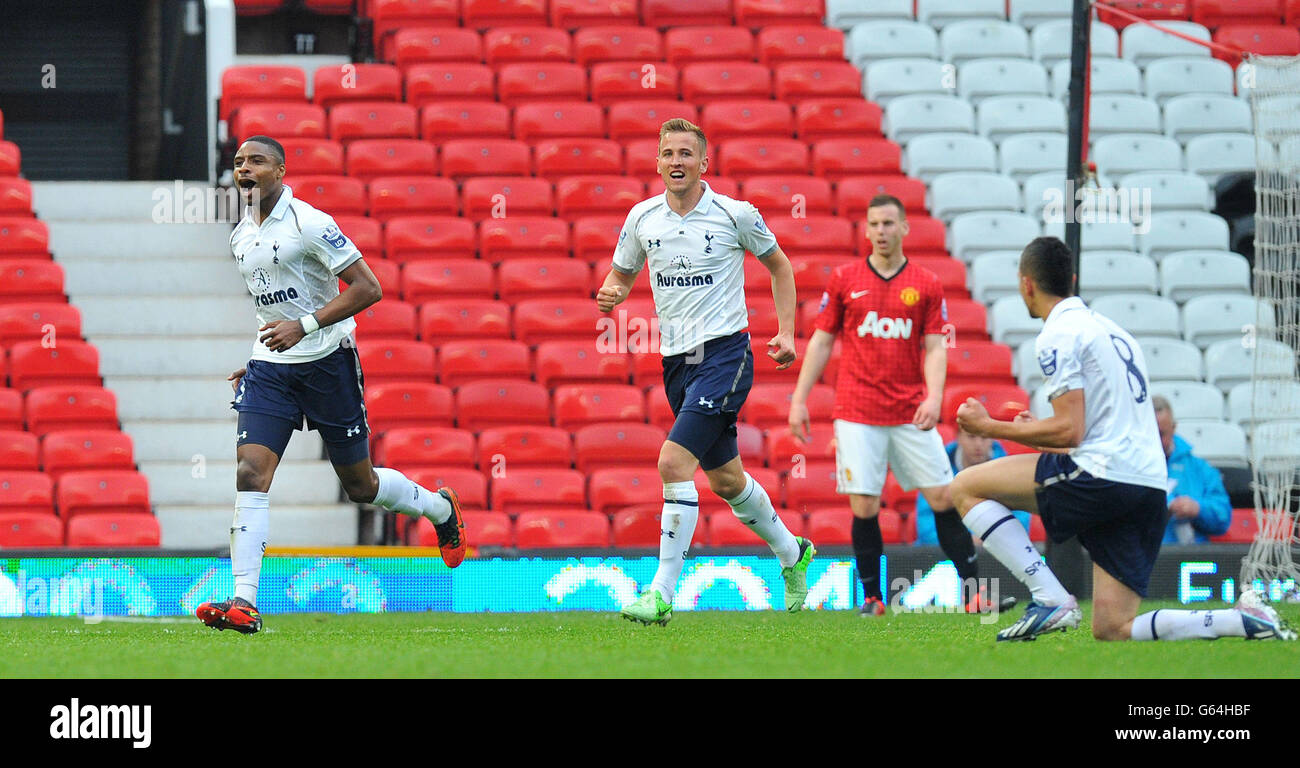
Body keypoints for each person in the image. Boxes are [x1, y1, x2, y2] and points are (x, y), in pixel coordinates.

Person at [950, 235, 1293, 642]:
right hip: (1147, 487)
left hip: (1105, 478)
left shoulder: (1058, 334)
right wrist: (1041, 436)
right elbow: (1095, 431)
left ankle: (1050, 598)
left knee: (965, 487)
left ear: (1026, 285)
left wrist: (989, 427)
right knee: (1112, 627)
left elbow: (1070, 428)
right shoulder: (1115, 333)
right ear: (1072, 279)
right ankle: (1243, 620)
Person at [195, 136, 467, 635]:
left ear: (279, 169)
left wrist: (307, 325)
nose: (244, 170)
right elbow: (272, 310)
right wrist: (255, 360)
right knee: (250, 473)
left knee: (360, 487)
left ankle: (440, 508)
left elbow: (369, 288)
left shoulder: (312, 224)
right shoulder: (240, 237)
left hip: (328, 364)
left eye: (256, 161)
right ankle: (244, 600)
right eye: (238, 164)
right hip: (272, 370)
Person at [597, 118, 815, 626]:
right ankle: (792, 553)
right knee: (727, 480)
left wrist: (787, 332)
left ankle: (660, 594)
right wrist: (613, 293)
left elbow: (781, 267)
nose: (676, 161)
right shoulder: (642, 219)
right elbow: (622, 274)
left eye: (685, 154)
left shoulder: (735, 214)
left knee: (673, 464)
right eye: (667, 153)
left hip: (726, 355)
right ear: (657, 162)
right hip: (677, 362)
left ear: (703, 163)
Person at [788, 194, 1001, 617]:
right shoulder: (845, 279)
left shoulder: (926, 283)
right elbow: (822, 341)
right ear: (865, 230)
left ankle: (974, 592)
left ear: (904, 228)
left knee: (944, 495)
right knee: (864, 504)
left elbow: (936, 347)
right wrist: (798, 400)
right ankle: (872, 598)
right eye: (874, 224)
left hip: (909, 411)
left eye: (888, 223)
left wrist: (934, 396)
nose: (881, 231)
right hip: (857, 411)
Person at [914, 425, 1031, 546]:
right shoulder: (936, 472)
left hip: (997, 552)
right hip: (946, 556)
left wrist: (986, 540)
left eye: (984, 438)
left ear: (992, 439)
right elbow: (926, 528)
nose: (978, 444)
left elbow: (1021, 522)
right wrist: (967, 542)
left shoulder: (1009, 472)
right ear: (958, 437)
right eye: (971, 437)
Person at [1152, 395, 1232, 544]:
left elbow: (1224, 518)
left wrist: (1198, 509)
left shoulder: (1200, 469)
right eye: (1151, 433)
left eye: (1161, 434)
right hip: (1145, 560)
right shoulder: (1129, 470)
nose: (1156, 440)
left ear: (1173, 428)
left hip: (1192, 562)